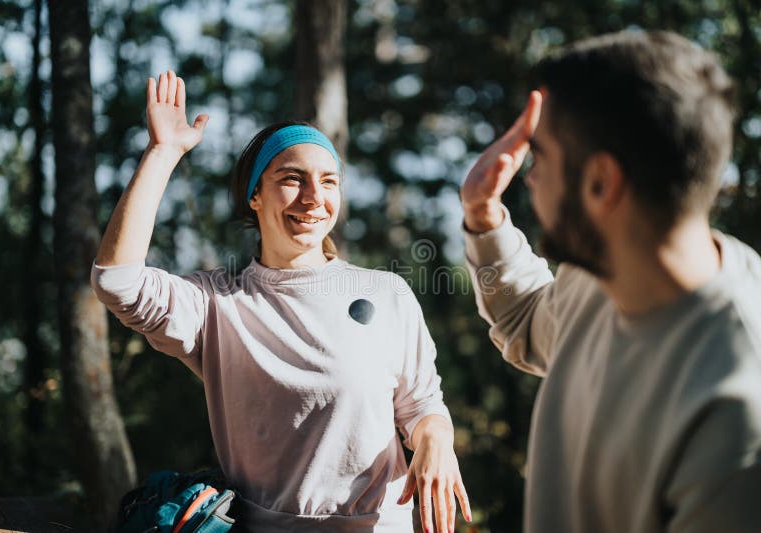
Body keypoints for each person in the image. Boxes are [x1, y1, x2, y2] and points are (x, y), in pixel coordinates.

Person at [91, 70, 471, 533]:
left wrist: (436, 440)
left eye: (328, 181)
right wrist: (163, 151)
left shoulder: (385, 292)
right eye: (293, 179)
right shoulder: (216, 303)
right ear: (255, 195)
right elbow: (117, 281)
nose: (314, 198)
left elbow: (421, 406)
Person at [460, 30, 761, 532]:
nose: (528, 177)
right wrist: (483, 213)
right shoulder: (600, 268)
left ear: (601, 183)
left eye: (541, 157)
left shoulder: (735, 412)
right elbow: (527, 319)